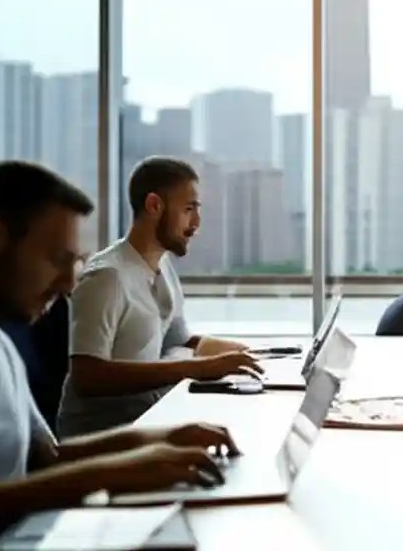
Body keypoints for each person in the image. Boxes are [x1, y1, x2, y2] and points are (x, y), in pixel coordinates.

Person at [0, 161, 241, 546]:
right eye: (58, 259)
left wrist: (166, 439)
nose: (69, 283)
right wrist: (107, 473)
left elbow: (49, 458)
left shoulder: (0, 349)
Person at [58, 156, 263, 437]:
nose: (197, 223)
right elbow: (87, 376)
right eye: (189, 209)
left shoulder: (162, 266)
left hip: (152, 417)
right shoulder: (107, 277)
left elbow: (178, 340)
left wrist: (250, 355)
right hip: (104, 435)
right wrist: (198, 368)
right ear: (154, 205)